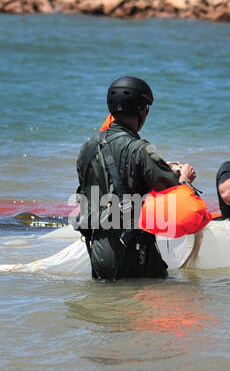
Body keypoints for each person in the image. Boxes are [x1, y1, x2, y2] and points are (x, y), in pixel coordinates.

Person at [73, 75, 195, 281]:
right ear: (142, 110)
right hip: (132, 249)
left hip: (97, 248)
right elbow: (173, 197)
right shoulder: (140, 149)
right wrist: (184, 178)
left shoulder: (87, 147)